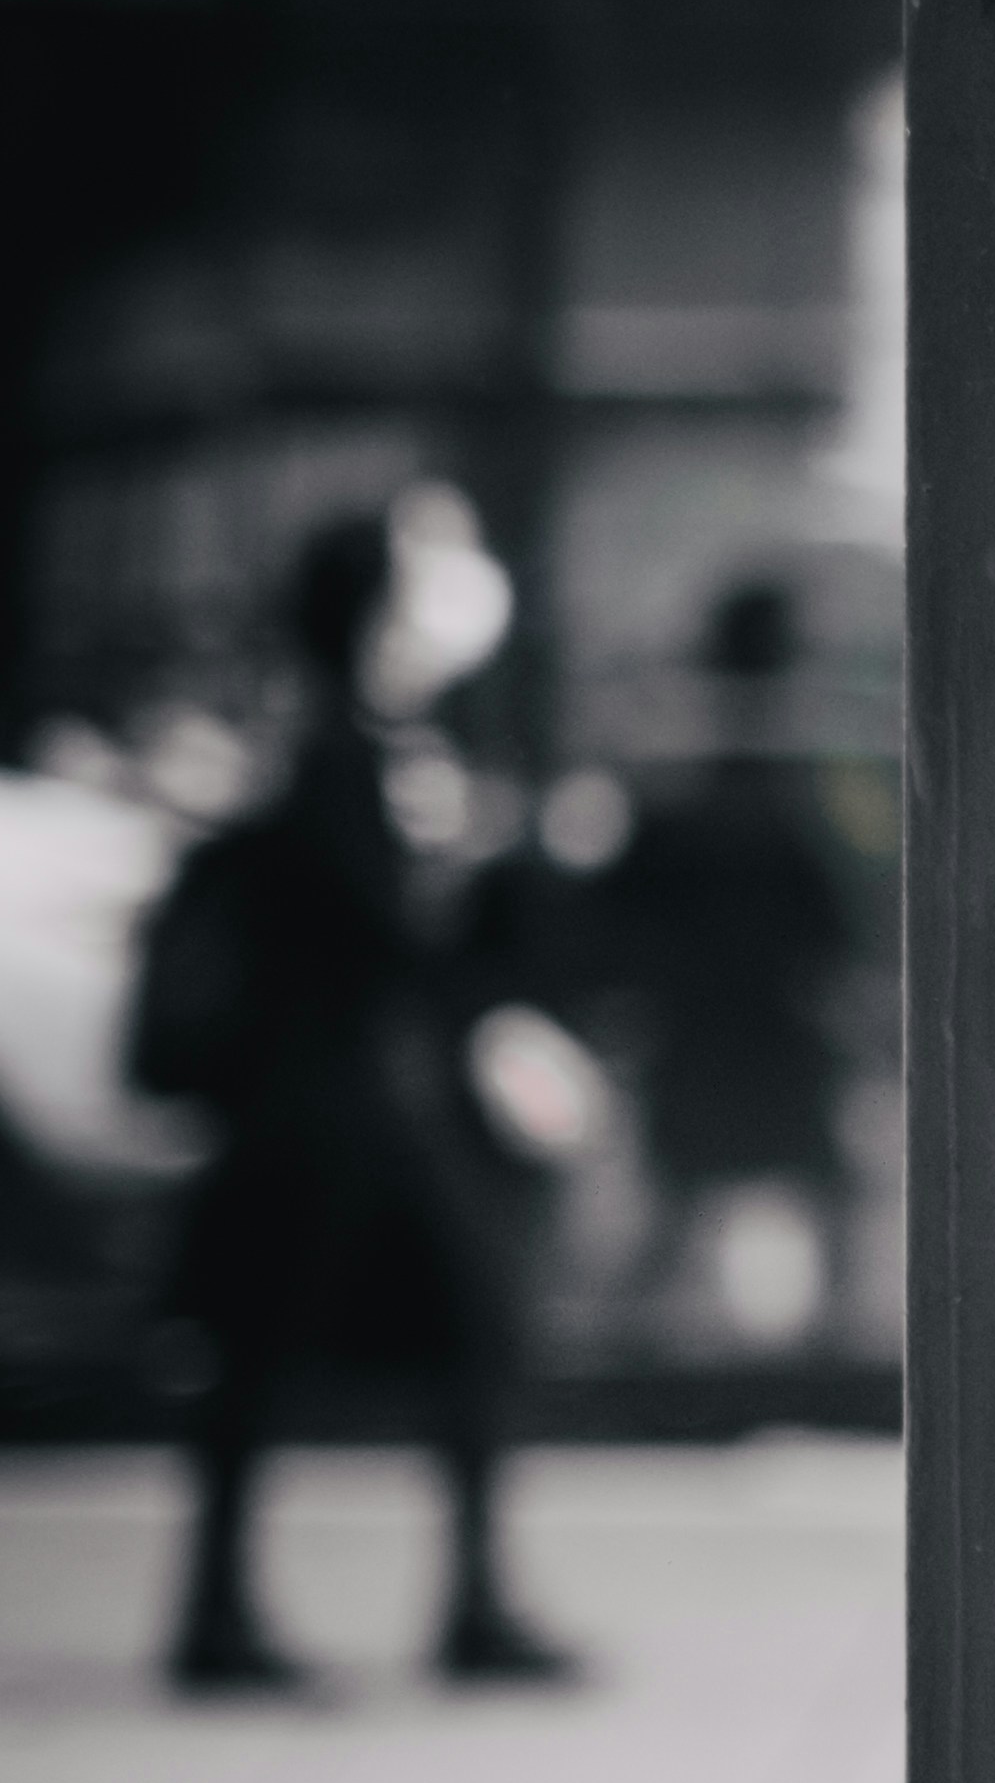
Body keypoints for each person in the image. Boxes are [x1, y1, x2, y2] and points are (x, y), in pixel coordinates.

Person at [126, 486, 585, 1695]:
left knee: (430, 1341)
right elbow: (382, 935)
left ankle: (450, 1602)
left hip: (367, 1111)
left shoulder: (386, 751)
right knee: (283, 1356)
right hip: (327, 1114)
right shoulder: (334, 752)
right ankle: (240, 1616)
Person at [585, 573, 866, 1352]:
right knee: (695, 1194)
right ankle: (626, 1348)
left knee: (805, 1188)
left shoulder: (762, 761)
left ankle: (824, 1346)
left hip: (747, 1019)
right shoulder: (718, 756)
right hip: (728, 1020)